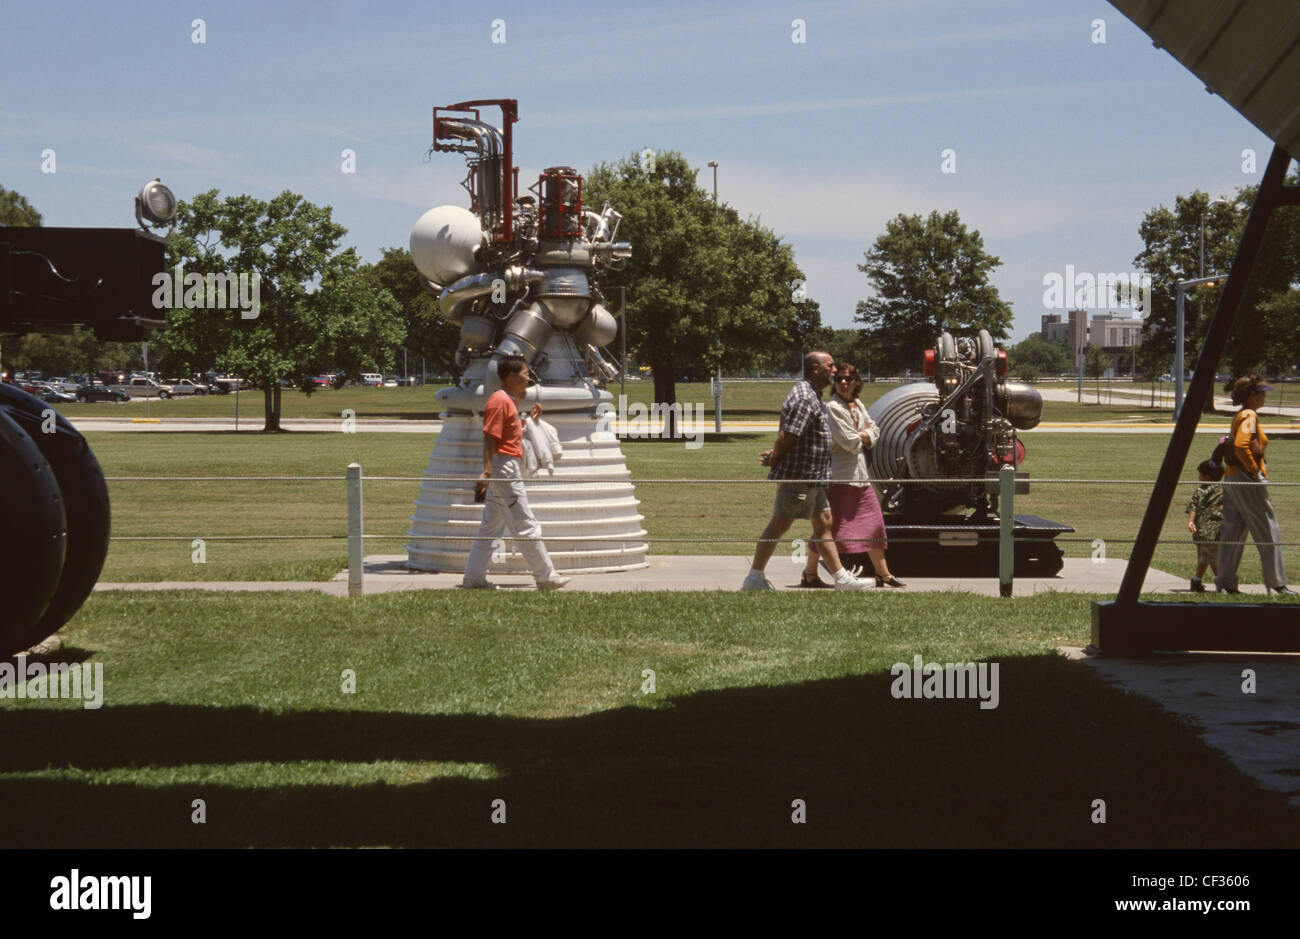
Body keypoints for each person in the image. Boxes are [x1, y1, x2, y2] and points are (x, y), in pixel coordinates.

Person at [742, 351, 870, 591]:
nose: (834, 371)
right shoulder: (803, 397)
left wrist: (775, 453)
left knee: (824, 524)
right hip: (800, 477)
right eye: (830, 366)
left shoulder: (812, 394)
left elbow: (795, 436)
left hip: (814, 476)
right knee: (779, 524)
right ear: (814, 369)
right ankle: (754, 578)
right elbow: (788, 434)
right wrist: (776, 456)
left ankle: (841, 579)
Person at [462, 354, 570, 591]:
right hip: (505, 469)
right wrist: (488, 471)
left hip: (504, 466)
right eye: (525, 373)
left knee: (490, 527)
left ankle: (473, 578)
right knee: (526, 523)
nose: (528, 377)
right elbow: (490, 436)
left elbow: (508, 432)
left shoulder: (505, 401)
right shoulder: (499, 402)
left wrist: (528, 421)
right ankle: (545, 576)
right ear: (511, 377)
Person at [825, 362, 904, 588]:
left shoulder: (857, 404)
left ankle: (883, 573)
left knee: (874, 524)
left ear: (856, 382)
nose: (843, 383)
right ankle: (810, 571)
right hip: (841, 476)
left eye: (848, 379)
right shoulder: (833, 407)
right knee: (830, 528)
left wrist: (864, 434)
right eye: (839, 378)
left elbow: (876, 432)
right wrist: (865, 435)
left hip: (860, 476)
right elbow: (849, 442)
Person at [1216, 373, 1292, 595]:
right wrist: (1253, 469)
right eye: (1261, 394)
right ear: (1251, 395)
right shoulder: (1249, 414)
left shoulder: (1240, 414)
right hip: (1245, 479)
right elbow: (1241, 445)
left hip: (1231, 478)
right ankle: (1277, 584)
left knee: (1233, 531)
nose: (1263, 398)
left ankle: (1226, 583)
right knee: (1268, 529)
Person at [1185, 458, 1223, 593]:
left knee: (1205, 556)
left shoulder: (1200, 491)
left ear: (1208, 476)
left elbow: (1192, 507)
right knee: (1211, 557)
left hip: (1202, 528)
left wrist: (1191, 521)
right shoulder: (1223, 490)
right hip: (1215, 529)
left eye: (1200, 474)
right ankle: (1221, 582)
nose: (1198, 477)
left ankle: (1196, 581)